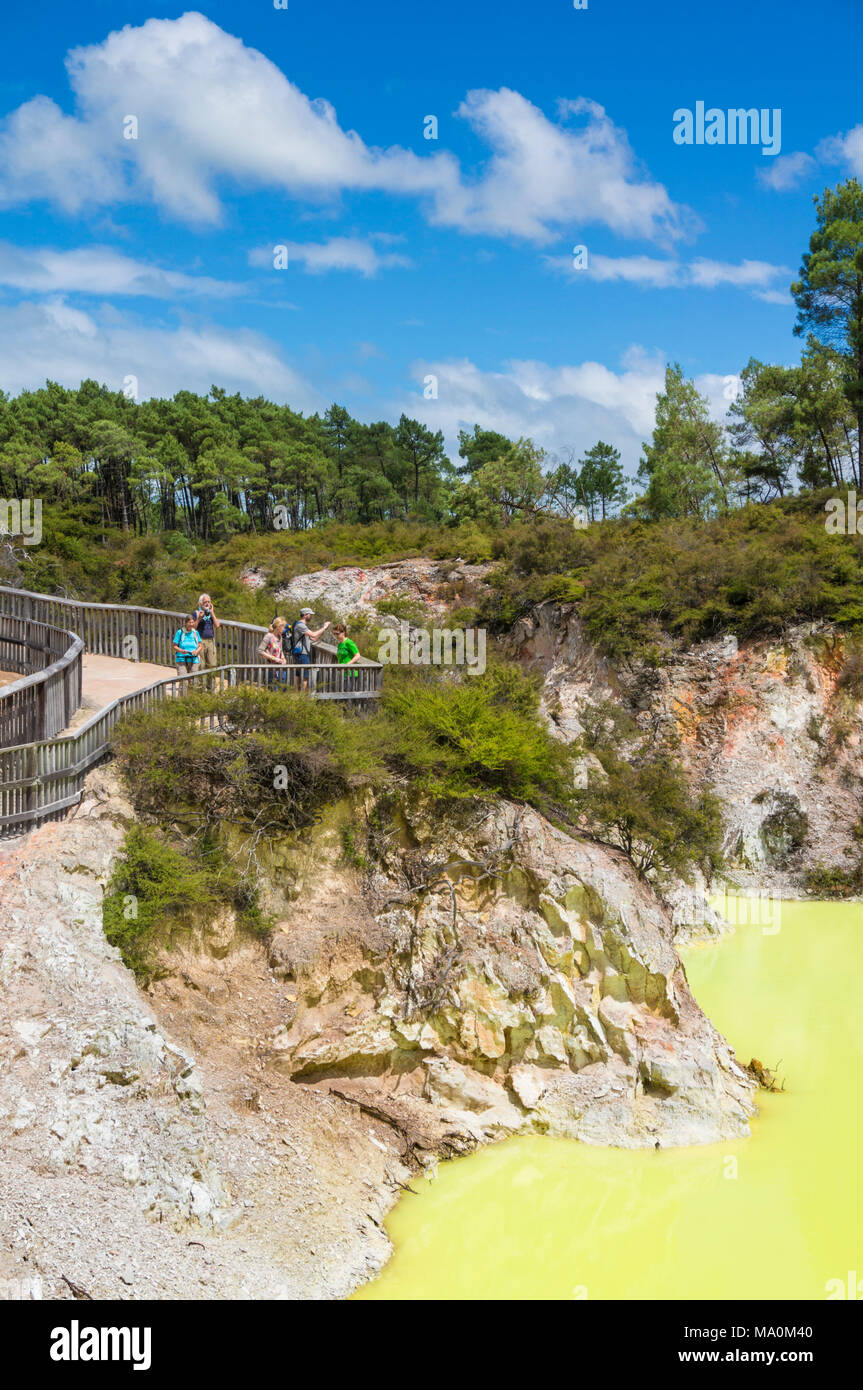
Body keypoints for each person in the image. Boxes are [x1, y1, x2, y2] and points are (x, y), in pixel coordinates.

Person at [286, 606, 330, 690]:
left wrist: (323, 631)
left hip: (299, 653)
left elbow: (313, 638)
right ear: (305, 615)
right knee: (304, 676)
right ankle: (303, 696)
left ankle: (298, 694)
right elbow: (313, 634)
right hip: (302, 653)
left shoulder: (301, 626)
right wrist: (324, 627)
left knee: (298, 674)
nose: (311, 617)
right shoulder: (301, 626)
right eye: (310, 615)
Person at [192, 593, 221, 670]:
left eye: (209, 601)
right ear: (201, 603)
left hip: (210, 641)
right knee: (201, 665)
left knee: (212, 664)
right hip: (200, 641)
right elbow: (193, 628)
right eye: (205, 602)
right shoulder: (196, 613)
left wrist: (212, 612)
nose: (207, 603)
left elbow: (217, 625)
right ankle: (202, 682)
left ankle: (211, 681)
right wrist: (199, 618)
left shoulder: (210, 614)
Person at [257, 617, 288, 688]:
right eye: (283, 627)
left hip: (281, 667)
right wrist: (274, 658)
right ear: (278, 627)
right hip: (271, 667)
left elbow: (280, 649)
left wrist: (283, 658)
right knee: (273, 689)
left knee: (283, 689)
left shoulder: (280, 637)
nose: (284, 629)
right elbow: (260, 650)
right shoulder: (268, 636)